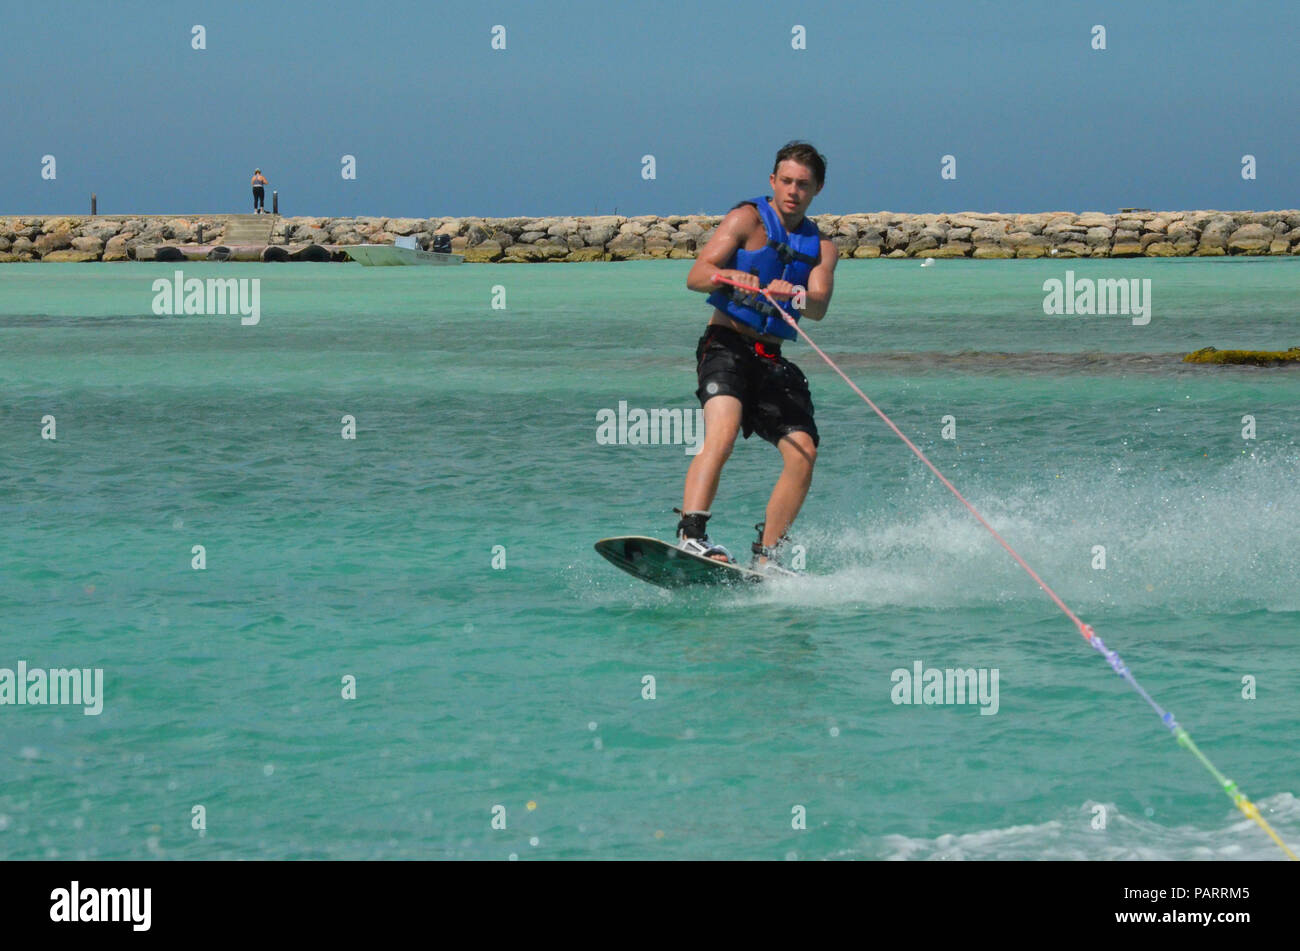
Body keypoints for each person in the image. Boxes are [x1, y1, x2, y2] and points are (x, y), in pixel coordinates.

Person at [678, 141, 838, 573]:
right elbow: (695, 276)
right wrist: (726, 275)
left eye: (803, 185)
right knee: (723, 432)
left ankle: (768, 555)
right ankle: (692, 535)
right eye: (785, 181)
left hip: (772, 359)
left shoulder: (822, 246)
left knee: (803, 450)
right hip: (726, 345)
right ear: (772, 181)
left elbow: (820, 305)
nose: (793, 191)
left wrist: (799, 294)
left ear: (817, 189)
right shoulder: (746, 219)